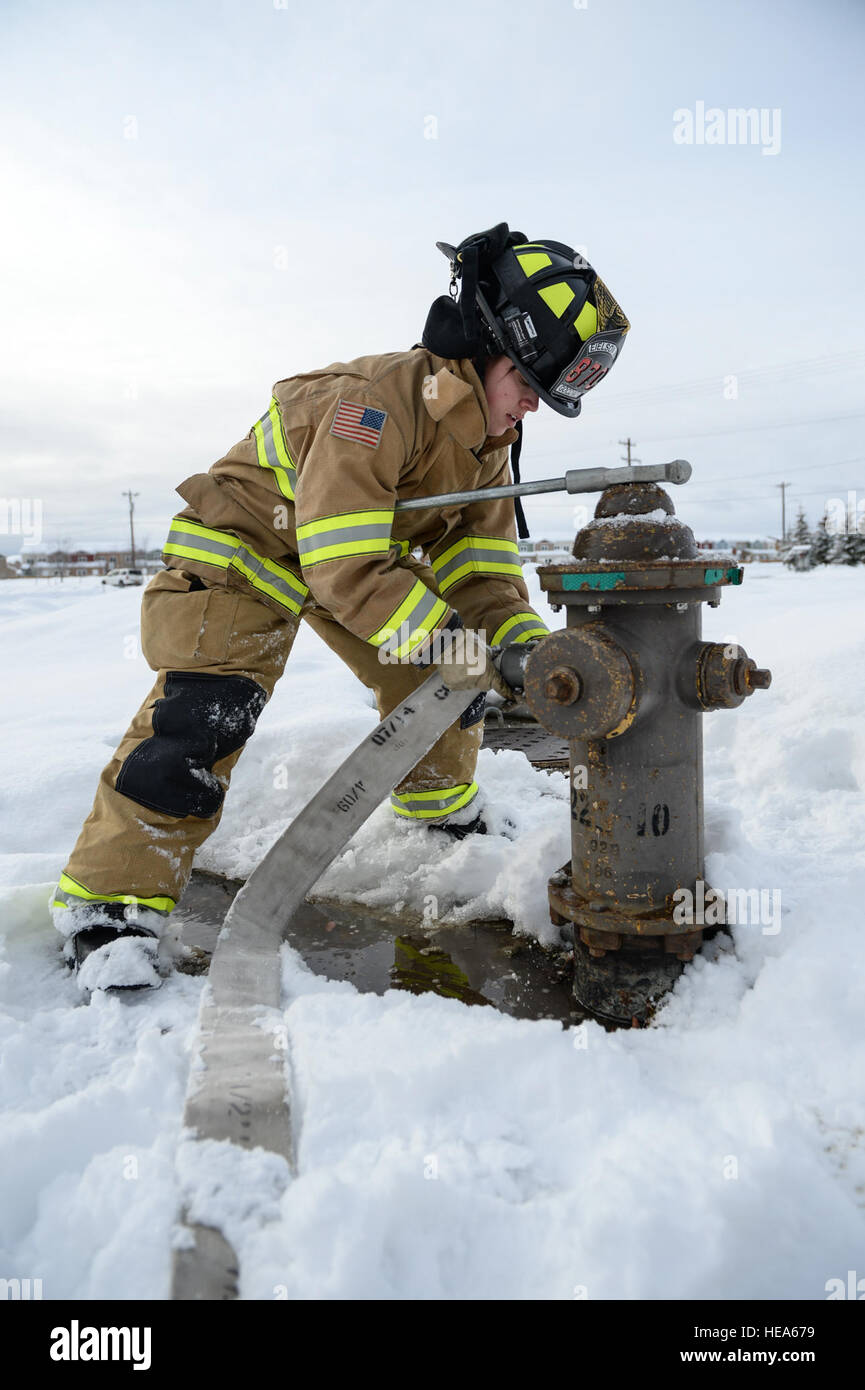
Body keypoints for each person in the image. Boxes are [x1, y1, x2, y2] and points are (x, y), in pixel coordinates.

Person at [52, 222, 630, 991]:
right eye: (526, 384)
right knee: (204, 716)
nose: (528, 407)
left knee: (442, 674)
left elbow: (481, 573)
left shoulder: (487, 445)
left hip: (343, 565)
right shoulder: (373, 407)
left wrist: (517, 646)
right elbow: (347, 564)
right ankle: (109, 908)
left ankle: (440, 809)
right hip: (247, 555)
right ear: (485, 348)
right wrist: (461, 641)